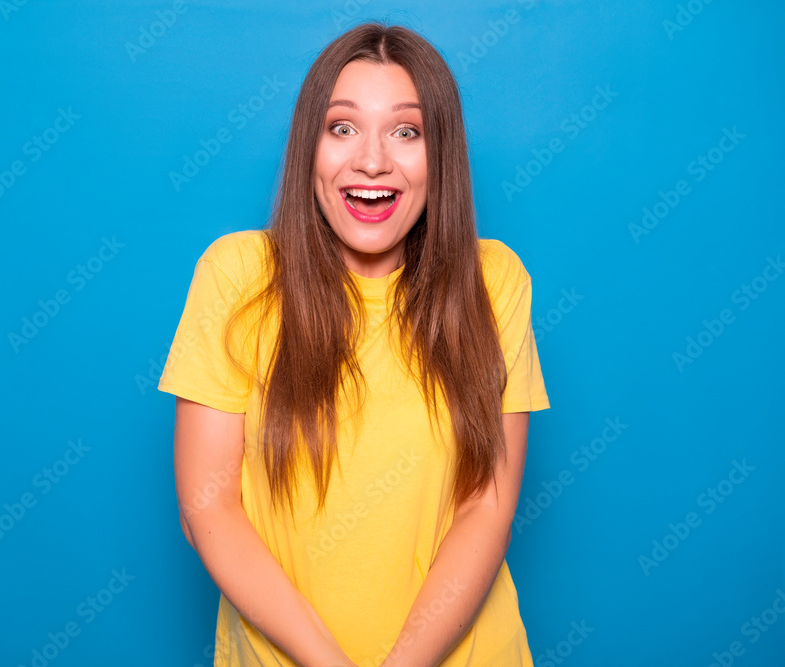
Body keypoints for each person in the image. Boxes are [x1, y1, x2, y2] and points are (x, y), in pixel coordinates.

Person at [158, 20, 550, 667]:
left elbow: (487, 504)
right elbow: (209, 508)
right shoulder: (237, 276)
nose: (372, 160)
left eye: (406, 132)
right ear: (308, 148)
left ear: (441, 156)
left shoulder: (494, 281)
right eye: (342, 128)